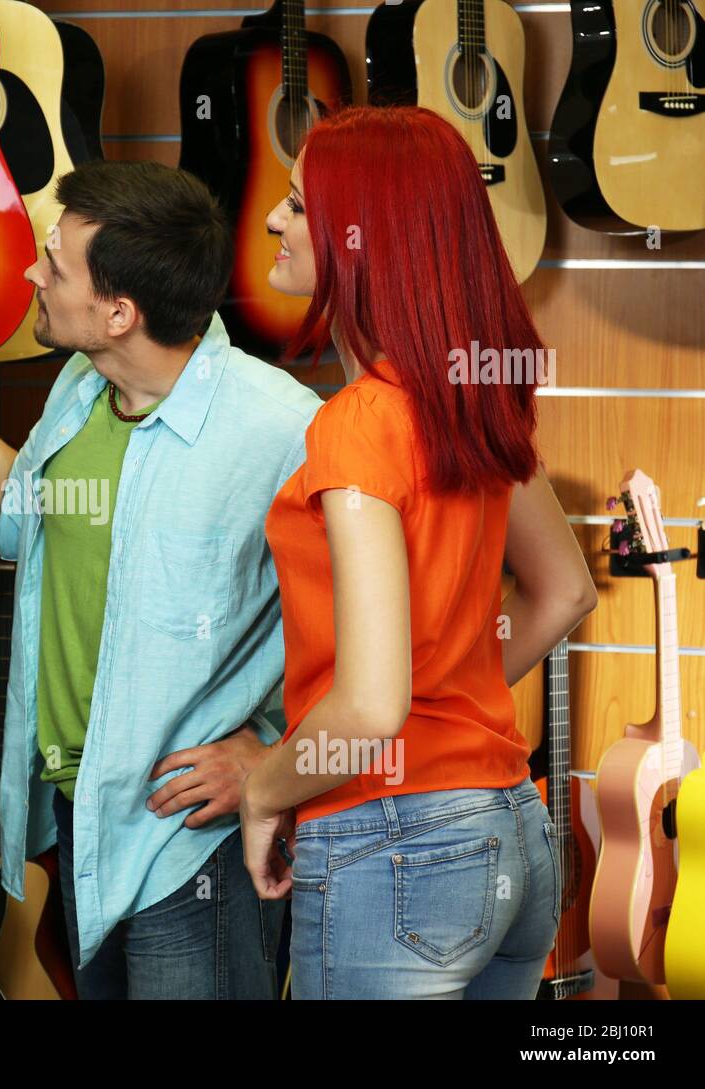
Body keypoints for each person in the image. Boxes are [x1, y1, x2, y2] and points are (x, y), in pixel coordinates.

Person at [0, 160, 321, 998]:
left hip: (191, 841)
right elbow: (13, 515)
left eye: (54, 266)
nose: (32, 274)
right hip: (80, 820)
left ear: (120, 312)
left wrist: (276, 758)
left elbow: (390, 630)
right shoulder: (82, 386)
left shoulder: (282, 428)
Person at [239, 105, 598, 999]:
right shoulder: (468, 401)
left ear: (366, 239)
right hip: (510, 826)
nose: (276, 219)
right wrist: (442, 701)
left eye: (298, 204)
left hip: (396, 846)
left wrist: (265, 789)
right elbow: (565, 591)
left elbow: (369, 705)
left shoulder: (358, 423)